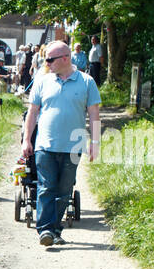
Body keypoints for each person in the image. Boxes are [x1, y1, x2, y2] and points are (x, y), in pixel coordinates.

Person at [21, 40, 101, 247]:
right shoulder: (42, 82)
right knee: (46, 187)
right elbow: (32, 113)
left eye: (50, 59)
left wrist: (95, 141)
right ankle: (45, 229)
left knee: (65, 189)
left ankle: (55, 230)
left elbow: (94, 114)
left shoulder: (86, 82)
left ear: (65, 58)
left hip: (73, 146)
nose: (46, 63)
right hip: (45, 145)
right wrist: (26, 140)